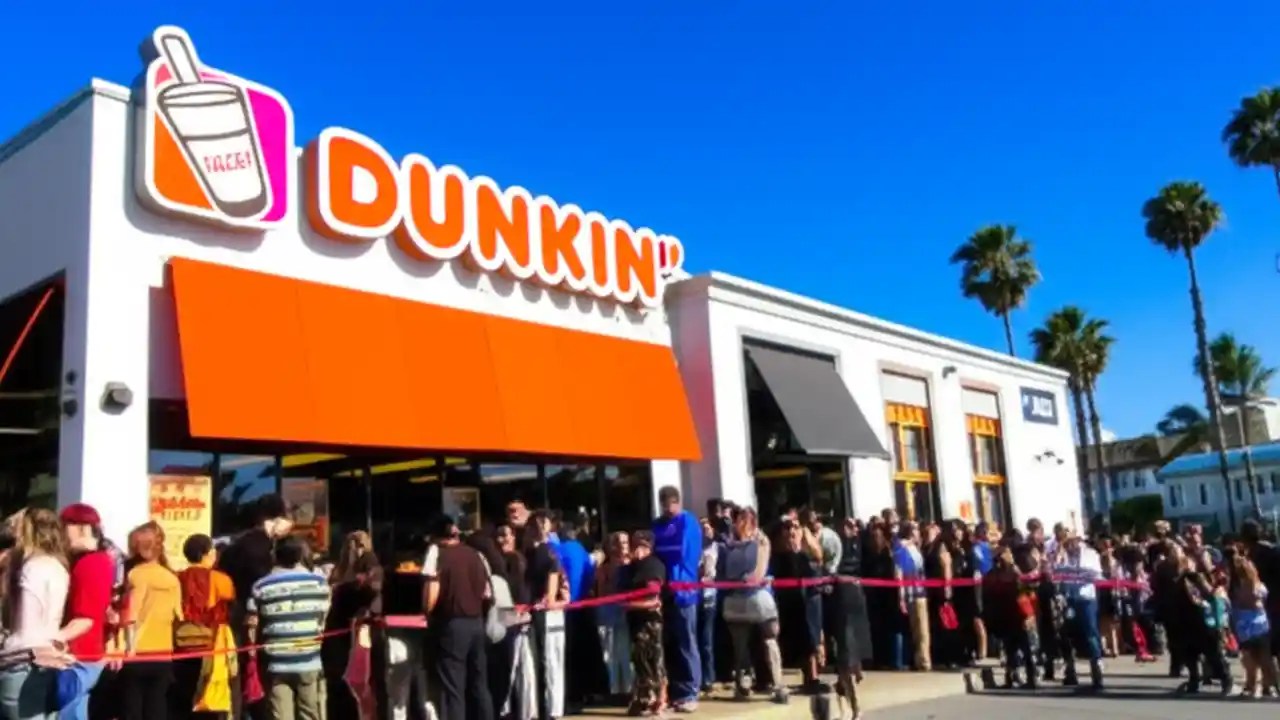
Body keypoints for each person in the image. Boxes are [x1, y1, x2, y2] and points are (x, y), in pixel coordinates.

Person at [247, 536, 332, 720]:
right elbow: (323, 617)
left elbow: (252, 623)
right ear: (301, 555)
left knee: (280, 715)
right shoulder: (319, 583)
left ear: (275, 555)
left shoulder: (262, 585)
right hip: (309, 659)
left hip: (275, 662)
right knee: (310, 713)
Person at [422, 516, 494, 720]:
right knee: (479, 683)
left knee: (453, 687)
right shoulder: (476, 555)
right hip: (477, 622)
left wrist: (427, 613)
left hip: (452, 623)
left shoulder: (437, 553)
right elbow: (487, 592)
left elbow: (431, 592)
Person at [0, 509, 69, 720]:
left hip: (22, 661)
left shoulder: (31, 568)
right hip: (50, 659)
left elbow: (27, 626)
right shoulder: (60, 567)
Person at [720, 506, 785, 704]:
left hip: (759, 597)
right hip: (736, 598)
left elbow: (759, 571)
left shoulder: (761, 541)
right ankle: (743, 684)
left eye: (744, 520)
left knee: (769, 640)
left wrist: (749, 578)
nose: (740, 524)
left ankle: (778, 685)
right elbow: (722, 572)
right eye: (738, 519)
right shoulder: (727, 544)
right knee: (740, 646)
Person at [56, 503, 116, 720]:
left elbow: (85, 618)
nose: (60, 535)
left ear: (81, 528)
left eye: (64, 528)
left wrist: (52, 640)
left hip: (78, 656)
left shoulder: (89, 564)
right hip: (85, 655)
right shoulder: (97, 561)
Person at [118, 522, 181, 720]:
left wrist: (127, 647)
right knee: (157, 706)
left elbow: (131, 616)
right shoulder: (171, 578)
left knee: (132, 708)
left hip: (137, 651)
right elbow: (177, 615)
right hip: (164, 652)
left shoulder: (136, 575)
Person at [173, 534, 238, 720]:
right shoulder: (221, 580)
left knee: (184, 695)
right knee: (212, 695)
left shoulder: (178, 578)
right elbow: (230, 606)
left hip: (181, 642)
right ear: (207, 553)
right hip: (213, 642)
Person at [651, 486, 702, 713]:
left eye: (671, 504)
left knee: (686, 642)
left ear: (678, 502)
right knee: (669, 646)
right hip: (664, 592)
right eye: (664, 504)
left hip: (684, 592)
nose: (668, 509)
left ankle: (691, 690)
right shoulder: (657, 524)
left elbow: (684, 555)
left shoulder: (688, 522)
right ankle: (674, 692)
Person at [324, 531, 382, 720]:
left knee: (355, 682)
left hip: (351, 634)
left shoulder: (361, 570)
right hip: (342, 635)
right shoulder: (342, 573)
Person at [774, 518, 825, 693]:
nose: (791, 531)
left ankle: (812, 677)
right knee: (795, 641)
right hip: (789, 603)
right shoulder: (779, 557)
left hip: (809, 602)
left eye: (795, 527)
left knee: (811, 641)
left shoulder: (808, 554)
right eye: (787, 528)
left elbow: (818, 566)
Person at [525, 511, 566, 720]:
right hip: (545, 610)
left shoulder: (548, 552)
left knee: (550, 661)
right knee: (547, 661)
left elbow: (554, 579)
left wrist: (550, 597)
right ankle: (549, 709)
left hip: (549, 612)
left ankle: (552, 710)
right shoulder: (541, 552)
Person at [830, 517, 871, 720]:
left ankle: (854, 705)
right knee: (846, 654)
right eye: (848, 525)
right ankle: (852, 705)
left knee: (850, 655)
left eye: (854, 526)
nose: (852, 529)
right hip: (847, 597)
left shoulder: (855, 545)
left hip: (851, 597)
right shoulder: (843, 545)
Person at [1051, 532, 1104, 689]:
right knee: (1067, 634)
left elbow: (1096, 574)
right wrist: (1060, 594)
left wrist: (1076, 571)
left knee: (1090, 633)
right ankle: (1070, 669)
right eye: (1066, 543)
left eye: (1071, 542)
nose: (1069, 546)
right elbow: (1057, 574)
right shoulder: (1063, 555)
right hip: (1069, 599)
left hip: (1086, 598)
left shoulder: (1090, 554)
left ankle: (1096, 667)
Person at [495, 524, 536, 720]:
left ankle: (514, 711)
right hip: (509, 618)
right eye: (499, 536)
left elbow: (520, 590)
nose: (502, 539)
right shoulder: (502, 560)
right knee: (517, 668)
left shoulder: (515, 559)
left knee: (516, 668)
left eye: (506, 535)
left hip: (515, 618)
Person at [624, 531, 666, 717]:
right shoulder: (634, 567)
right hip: (636, 622)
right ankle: (645, 698)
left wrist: (629, 605)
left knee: (654, 661)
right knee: (640, 662)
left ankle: (660, 699)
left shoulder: (652, 566)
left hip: (649, 622)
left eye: (639, 546)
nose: (635, 550)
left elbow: (654, 599)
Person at [982, 545, 1037, 689]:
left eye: (1009, 553)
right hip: (1004, 614)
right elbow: (988, 595)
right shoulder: (992, 575)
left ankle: (1031, 676)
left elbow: (1027, 594)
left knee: (1026, 647)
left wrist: (1030, 615)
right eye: (1005, 554)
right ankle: (1011, 676)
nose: (1008, 556)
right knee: (1009, 648)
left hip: (1019, 613)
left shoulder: (1016, 572)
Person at [1229, 553, 1278, 698]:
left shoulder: (1251, 587)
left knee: (1254, 658)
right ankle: (1263, 685)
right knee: (1257, 658)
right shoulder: (1252, 586)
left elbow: (1256, 603)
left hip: (1251, 625)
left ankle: (1259, 685)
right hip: (1254, 624)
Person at [594, 531, 633, 702]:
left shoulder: (633, 563)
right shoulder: (604, 567)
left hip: (626, 609)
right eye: (617, 542)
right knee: (608, 651)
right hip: (608, 609)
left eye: (624, 541)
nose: (621, 545)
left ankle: (628, 688)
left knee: (624, 651)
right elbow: (601, 590)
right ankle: (613, 689)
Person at [894, 522, 929, 671]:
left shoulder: (916, 548)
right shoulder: (902, 548)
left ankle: (922, 658)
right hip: (911, 593)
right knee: (919, 629)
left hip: (921, 591)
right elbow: (899, 573)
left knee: (922, 629)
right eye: (915, 530)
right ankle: (923, 661)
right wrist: (901, 596)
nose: (918, 533)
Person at [695, 517, 719, 697]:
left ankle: (709, 679)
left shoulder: (716, 547)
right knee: (695, 639)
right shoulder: (694, 549)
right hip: (695, 596)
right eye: (701, 527)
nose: (705, 531)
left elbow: (712, 571)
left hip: (710, 597)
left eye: (707, 527)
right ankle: (697, 677)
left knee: (707, 640)